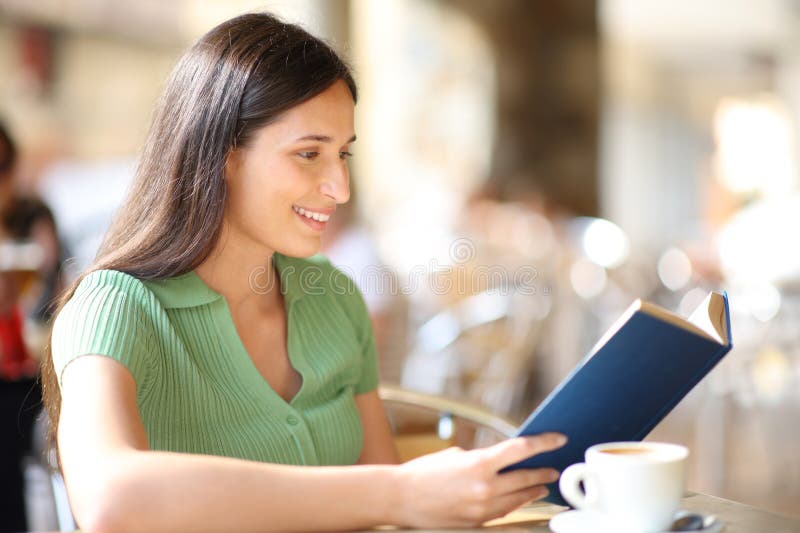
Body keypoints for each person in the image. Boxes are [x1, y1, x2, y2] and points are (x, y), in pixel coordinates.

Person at [40, 13, 566, 532]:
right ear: (222, 156)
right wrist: (401, 492)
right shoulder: (115, 306)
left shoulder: (333, 296)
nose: (340, 187)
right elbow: (109, 499)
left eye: (343, 154)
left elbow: (385, 513)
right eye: (309, 154)